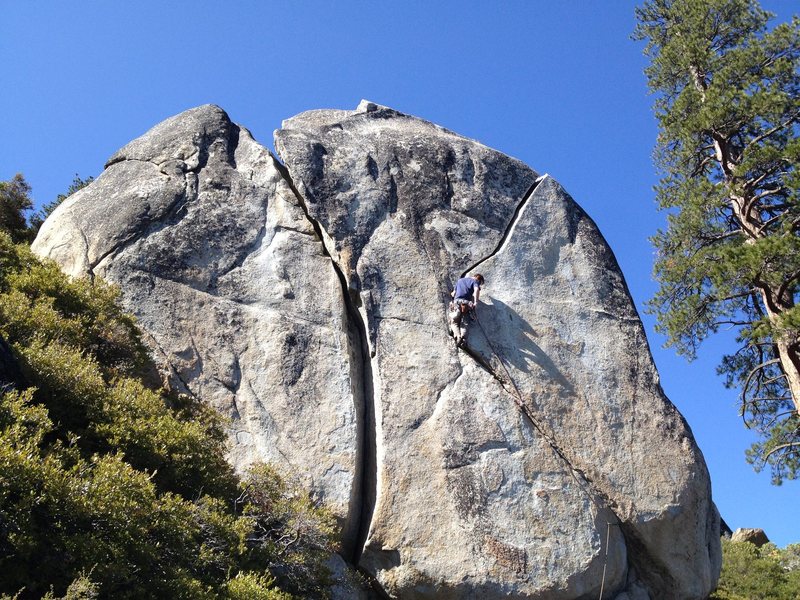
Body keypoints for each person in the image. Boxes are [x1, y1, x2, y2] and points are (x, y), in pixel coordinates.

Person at [449, 273, 485, 346]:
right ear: (478, 279)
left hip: (457, 302)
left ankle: (458, 336)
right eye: (480, 283)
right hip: (467, 303)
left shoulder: (460, 280)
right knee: (465, 323)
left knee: (454, 322)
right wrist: (476, 302)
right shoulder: (475, 281)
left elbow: (453, 293)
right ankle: (463, 339)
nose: (479, 285)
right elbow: (476, 290)